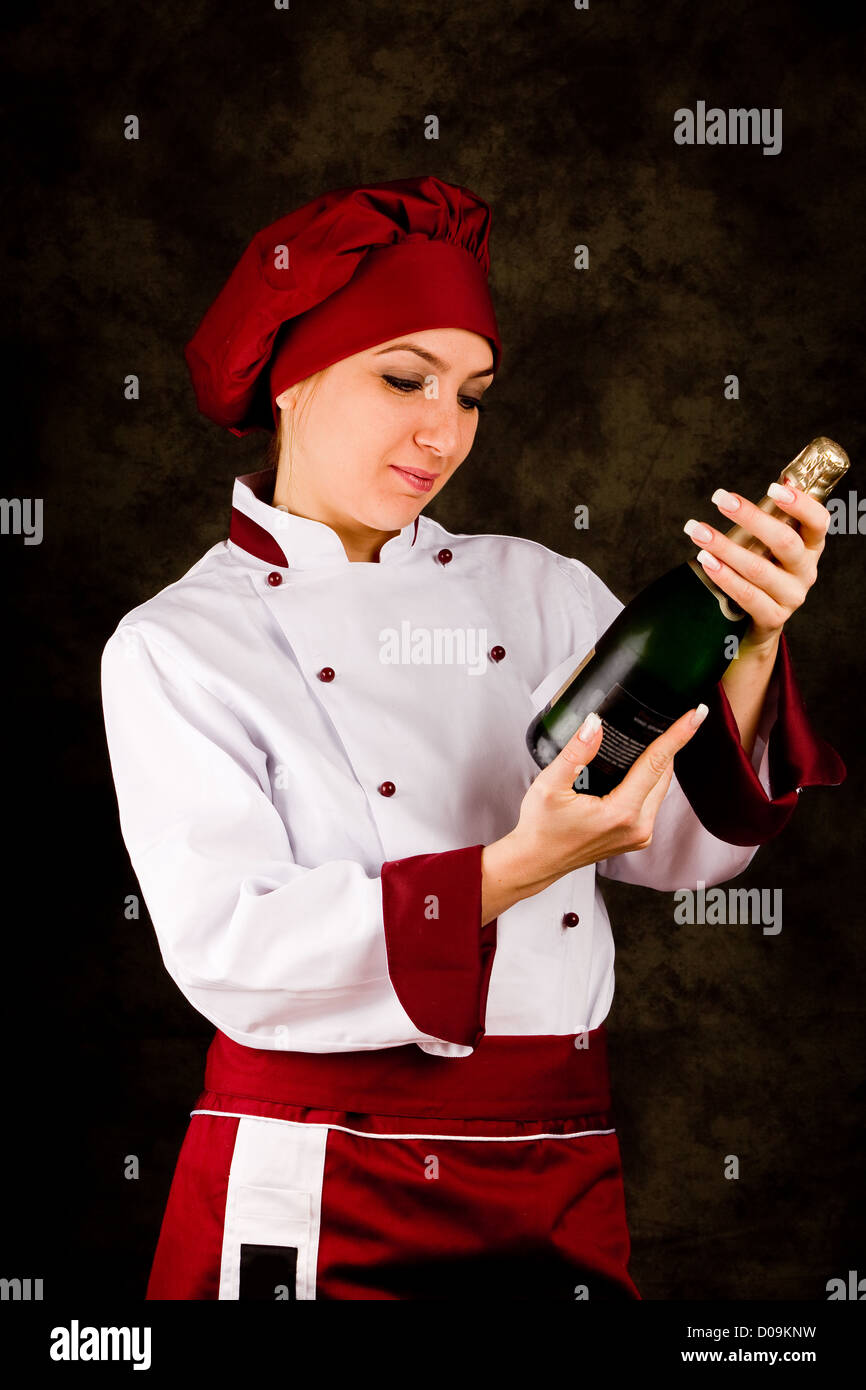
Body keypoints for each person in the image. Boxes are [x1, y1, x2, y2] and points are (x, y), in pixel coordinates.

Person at [100, 175, 845, 1301]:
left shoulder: (537, 586)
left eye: (471, 393)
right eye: (403, 378)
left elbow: (685, 853)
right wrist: (516, 868)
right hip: (323, 1169)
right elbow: (235, 952)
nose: (441, 432)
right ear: (292, 377)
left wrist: (750, 638)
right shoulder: (177, 644)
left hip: (560, 1164)